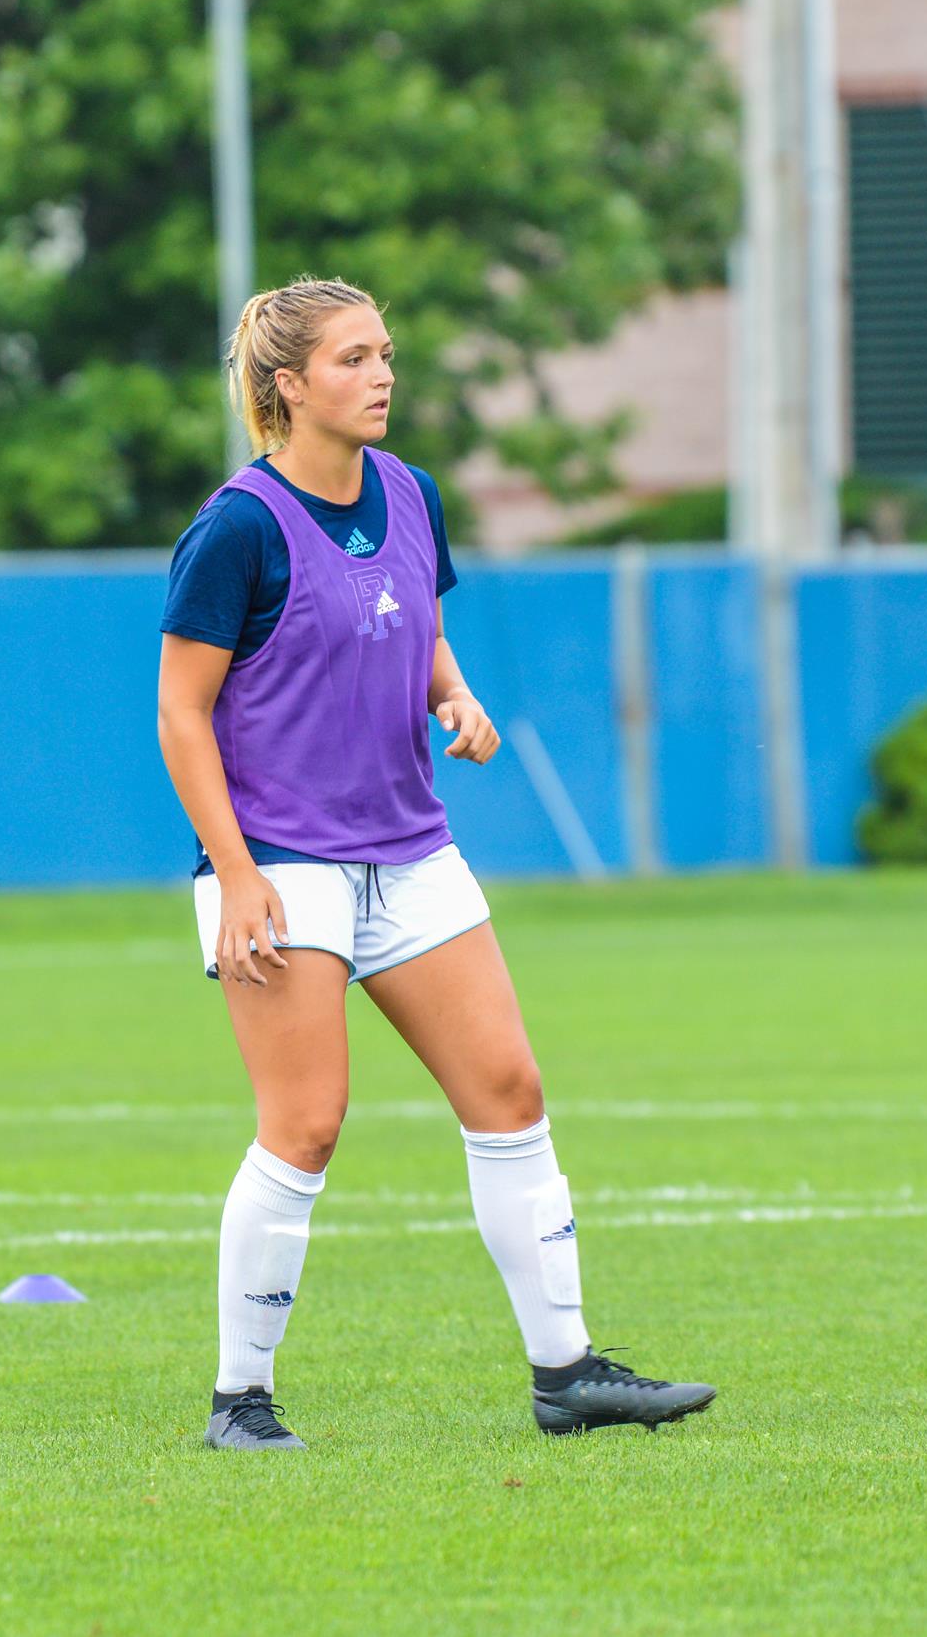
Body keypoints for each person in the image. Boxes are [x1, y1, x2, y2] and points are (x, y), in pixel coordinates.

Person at [157, 278, 714, 1450]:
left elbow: (416, 625)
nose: (381, 375)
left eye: (385, 353)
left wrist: (453, 695)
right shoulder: (238, 526)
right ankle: (238, 1401)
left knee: (509, 1095)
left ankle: (567, 1377)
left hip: (409, 852)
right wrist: (235, 874)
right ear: (286, 386)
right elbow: (181, 713)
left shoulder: (408, 492)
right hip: (281, 862)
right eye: (354, 359)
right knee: (304, 1124)